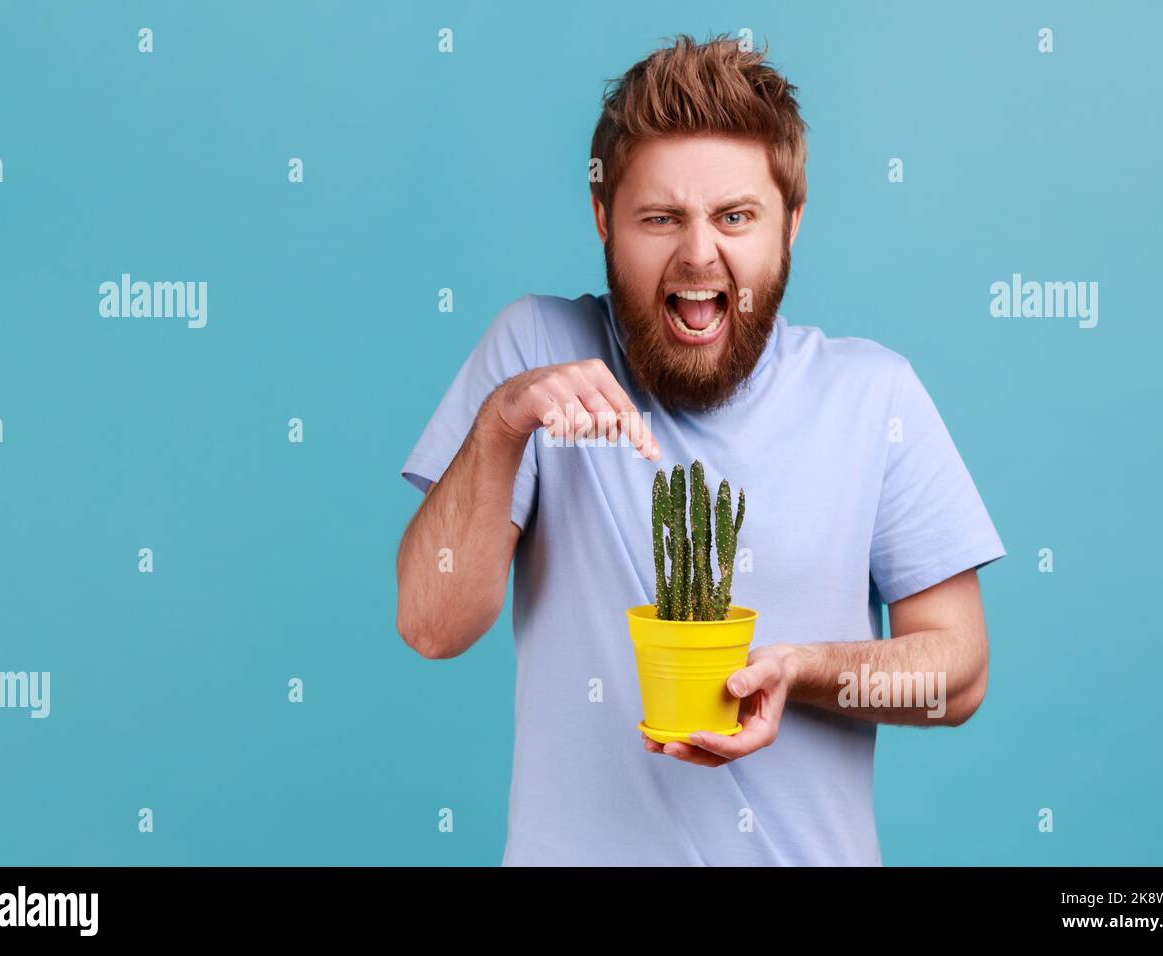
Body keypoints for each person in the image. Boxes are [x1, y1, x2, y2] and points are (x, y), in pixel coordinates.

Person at [396, 34, 1006, 866]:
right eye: (660, 217)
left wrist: (801, 668)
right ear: (603, 218)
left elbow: (959, 674)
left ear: (790, 225)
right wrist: (503, 423)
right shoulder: (535, 352)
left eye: (734, 217)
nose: (697, 253)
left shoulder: (874, 394)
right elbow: (432, 626)